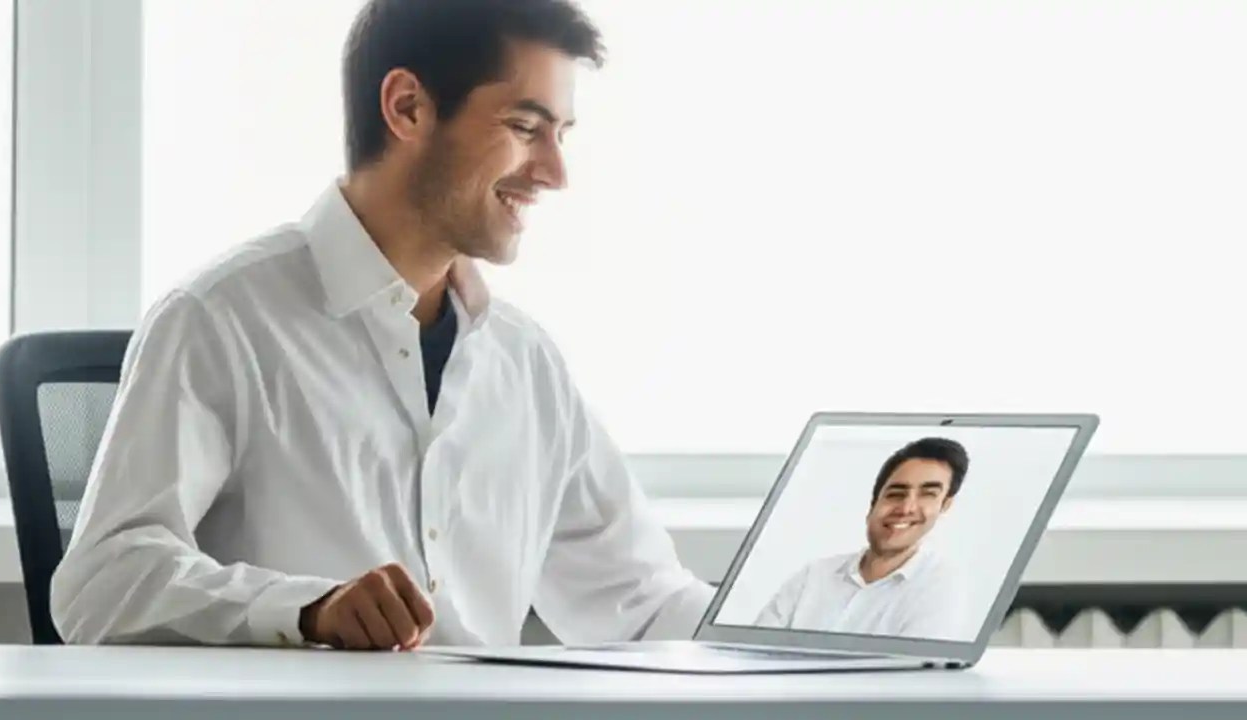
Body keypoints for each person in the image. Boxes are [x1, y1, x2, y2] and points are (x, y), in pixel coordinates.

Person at [51, 0, 713, 651]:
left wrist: (800, 610)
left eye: (561, 134)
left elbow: (646, 607)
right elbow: (100, 585)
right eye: (524, 126)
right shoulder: (221, 321)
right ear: (407, 107)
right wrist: (308, 609)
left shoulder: (527, 364)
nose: (556, 173)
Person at [754, 438, 970, 640]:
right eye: (896, 493)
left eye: (927, 494)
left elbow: (908, 676)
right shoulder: (813, 576)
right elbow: (753, 652)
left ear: (944, 506)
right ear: (873, 505)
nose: (906, 508)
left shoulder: (941, 589)